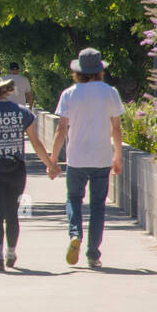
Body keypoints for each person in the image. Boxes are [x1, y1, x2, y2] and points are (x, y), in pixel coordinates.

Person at [0, 74, 59, 272]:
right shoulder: (21, 112)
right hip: (16, 169)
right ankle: (11, 253)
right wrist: (50, 165)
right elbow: (36, 142)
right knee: (12, 214)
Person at [49, 48, 124, 268]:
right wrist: (117, 157)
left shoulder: (69, 93)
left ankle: (75, 235)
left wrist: (53, 159)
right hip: (102, 157)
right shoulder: (110, 92)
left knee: (73, 199)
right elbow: (116, 128)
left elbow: (61, 129)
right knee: (98, 206)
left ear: (78, 71)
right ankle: (93, 254)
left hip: (76, 158)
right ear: (100, 70)